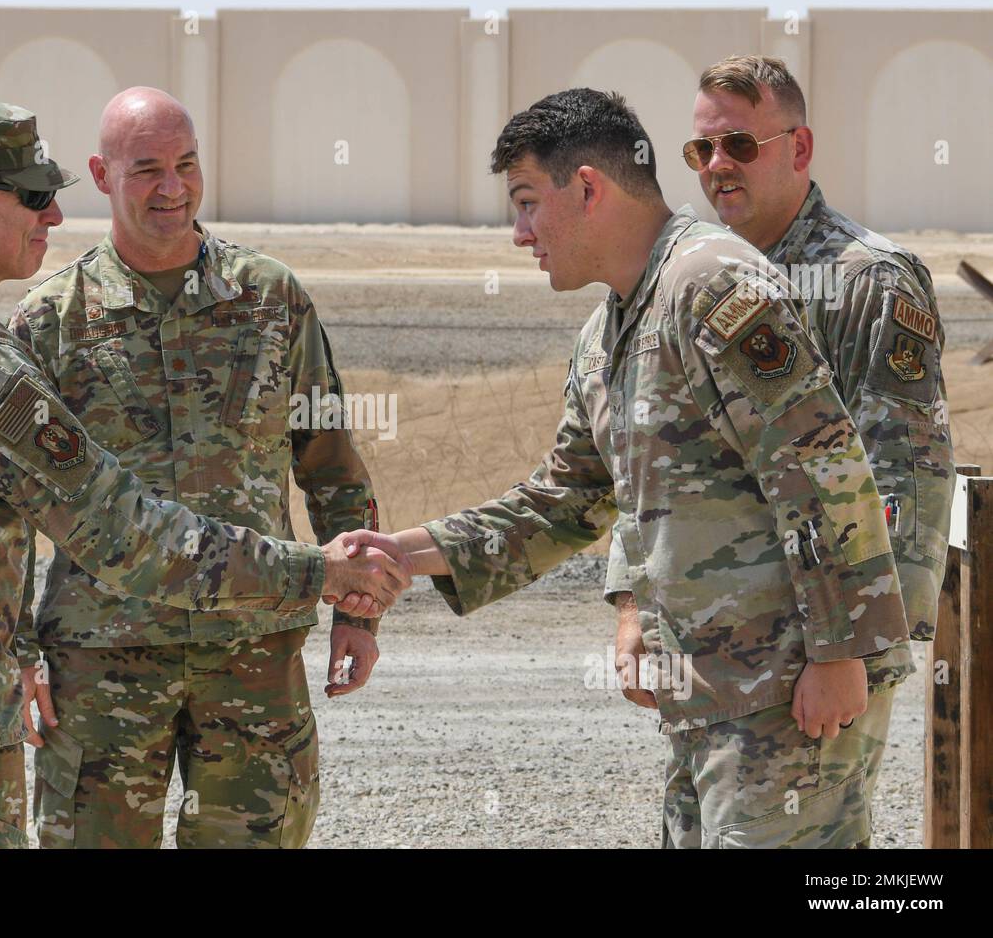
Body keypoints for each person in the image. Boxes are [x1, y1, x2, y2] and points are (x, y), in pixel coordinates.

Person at [0, 100, 406, 849]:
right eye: (34, 196)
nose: (55, 215)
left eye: (186, 164)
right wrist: (313, 573)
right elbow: (121, 529)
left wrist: (352, 604)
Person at [342, 88, 911, 848]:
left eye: (525, 203)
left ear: (587, 188)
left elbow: (824, 470)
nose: (518, 234)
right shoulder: (607, 331)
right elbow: (563, 502)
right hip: (705, 699)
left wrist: (842, 652)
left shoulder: (712, 286)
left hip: (785, 693)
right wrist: (403, 554)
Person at [10, 87, 379, 848]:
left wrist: (358, 612)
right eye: (146, 169)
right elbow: (8, 510)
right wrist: (15, 654)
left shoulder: (272, 300)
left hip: (254, 647)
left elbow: (331, 464)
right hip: (102, 654)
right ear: (102, 174)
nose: (172, 188)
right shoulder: (48, 321)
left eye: (185, 164)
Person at [609, 57, 953, 721]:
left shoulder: (866, 282)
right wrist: (633, 604)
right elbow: (655, 460)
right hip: (709, 652)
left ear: (800, 147)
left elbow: (903, 480)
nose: (717, 165)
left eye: (740, 144)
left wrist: (850, 657)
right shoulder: (697, 278)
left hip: (811, 661)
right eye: (701, 149)